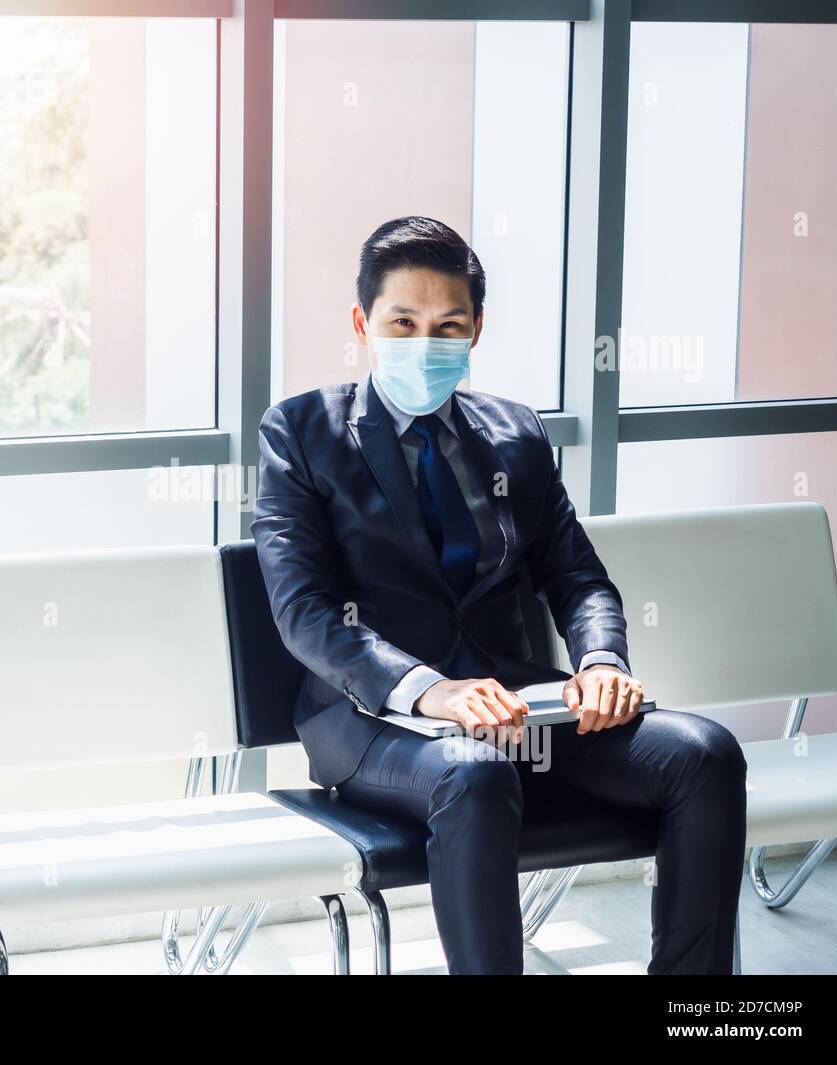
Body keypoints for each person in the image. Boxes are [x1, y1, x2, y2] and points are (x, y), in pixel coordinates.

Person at [253, 215, 747, 975]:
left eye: (448, 324)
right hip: (371, 724)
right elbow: (304, 611)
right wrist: (431, 691)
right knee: (472, 771)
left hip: (521, 713)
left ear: (476, 329)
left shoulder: (514, 432)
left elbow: (577, 575)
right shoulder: (300, 431)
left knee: (703, 754)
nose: (426, 342)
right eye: (403, 322)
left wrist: (602, 661)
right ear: (363, 324)